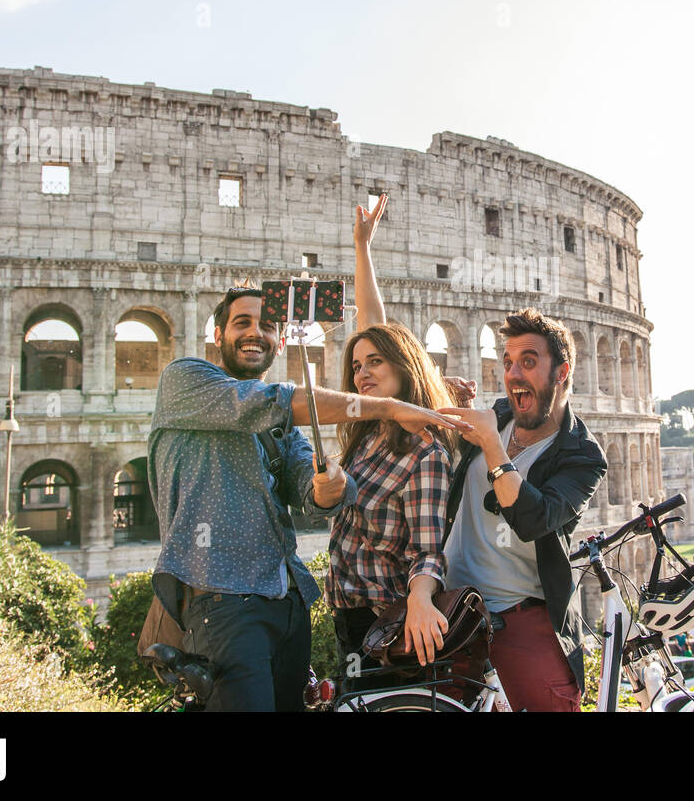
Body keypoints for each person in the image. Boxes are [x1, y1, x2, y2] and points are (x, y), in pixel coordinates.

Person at [148, 280, 464, 711]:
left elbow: (312, 489)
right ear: (217, 335)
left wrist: (328, 486)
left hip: (288, 603)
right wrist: (390, 407)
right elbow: (267, 402)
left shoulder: (286, 420)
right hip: (222, 596)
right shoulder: (187, 380)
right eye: (243, 323)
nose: (256, 332)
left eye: (269, 325)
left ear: (281, 343)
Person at [325, 195, 467, 691]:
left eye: (375, 364)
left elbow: (428, 549)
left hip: (386, 621)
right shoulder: (368, 432)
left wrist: (422, 600)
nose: (363, 373)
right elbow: (370, 322)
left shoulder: (424, 451)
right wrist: (362, 247)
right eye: (357, 366)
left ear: (403, 368)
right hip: (347, 615)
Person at [439, 308, 607, 711]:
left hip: (521, 619)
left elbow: (533, 519)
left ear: (562, 372)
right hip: (451, 611)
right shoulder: (496, 414)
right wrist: (434, 393)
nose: (513, 373)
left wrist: (492, 447)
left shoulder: (582, 456)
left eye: (528, 362)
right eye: (508, 361)